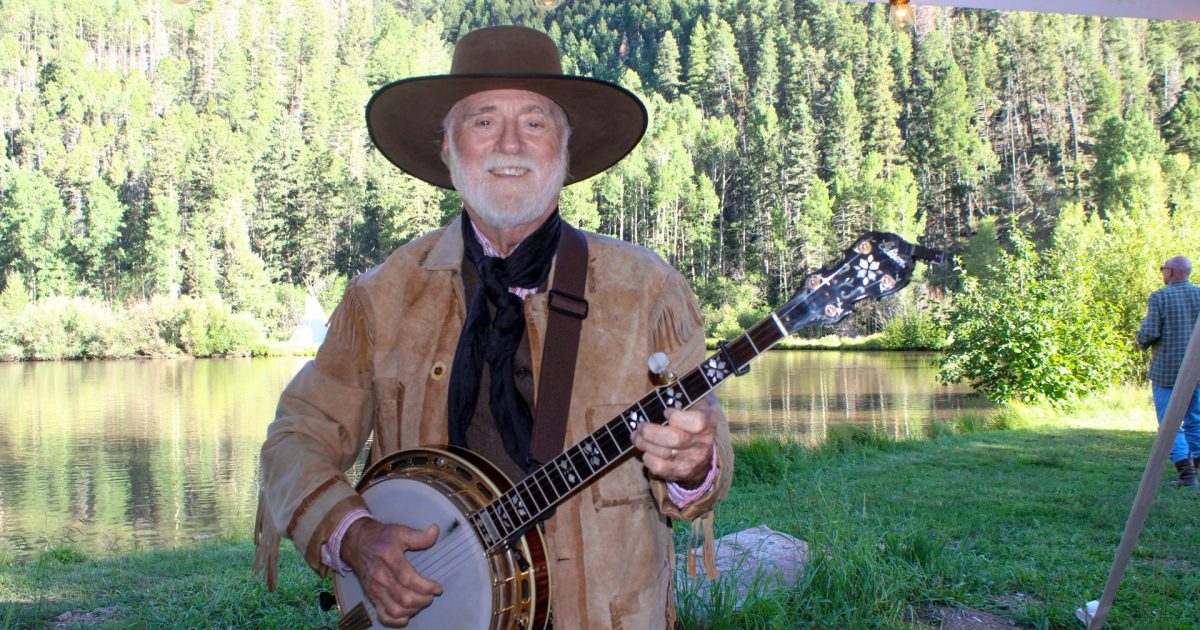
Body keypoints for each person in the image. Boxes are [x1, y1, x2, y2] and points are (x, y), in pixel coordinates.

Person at [253, 25, 733, 628]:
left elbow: (706, 467)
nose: (511, 143)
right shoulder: (382, 297)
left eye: (534, 122)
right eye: (483, 121)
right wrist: (354, 535)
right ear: (449, 148)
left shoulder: (647, 291)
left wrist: (694, 463)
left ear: (564, 147)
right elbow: (296, 438)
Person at [1136, 255, 1200, 489]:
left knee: (1169, 425)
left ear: (1171, 271)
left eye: (1163, 268)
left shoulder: (1160, 297)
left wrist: (1140, 339)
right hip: (1197, 372)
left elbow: (1150, 332)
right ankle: (1194, 468)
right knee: (1195, 420)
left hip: (1167, 372)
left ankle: (1186, 473)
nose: (1162, 272)